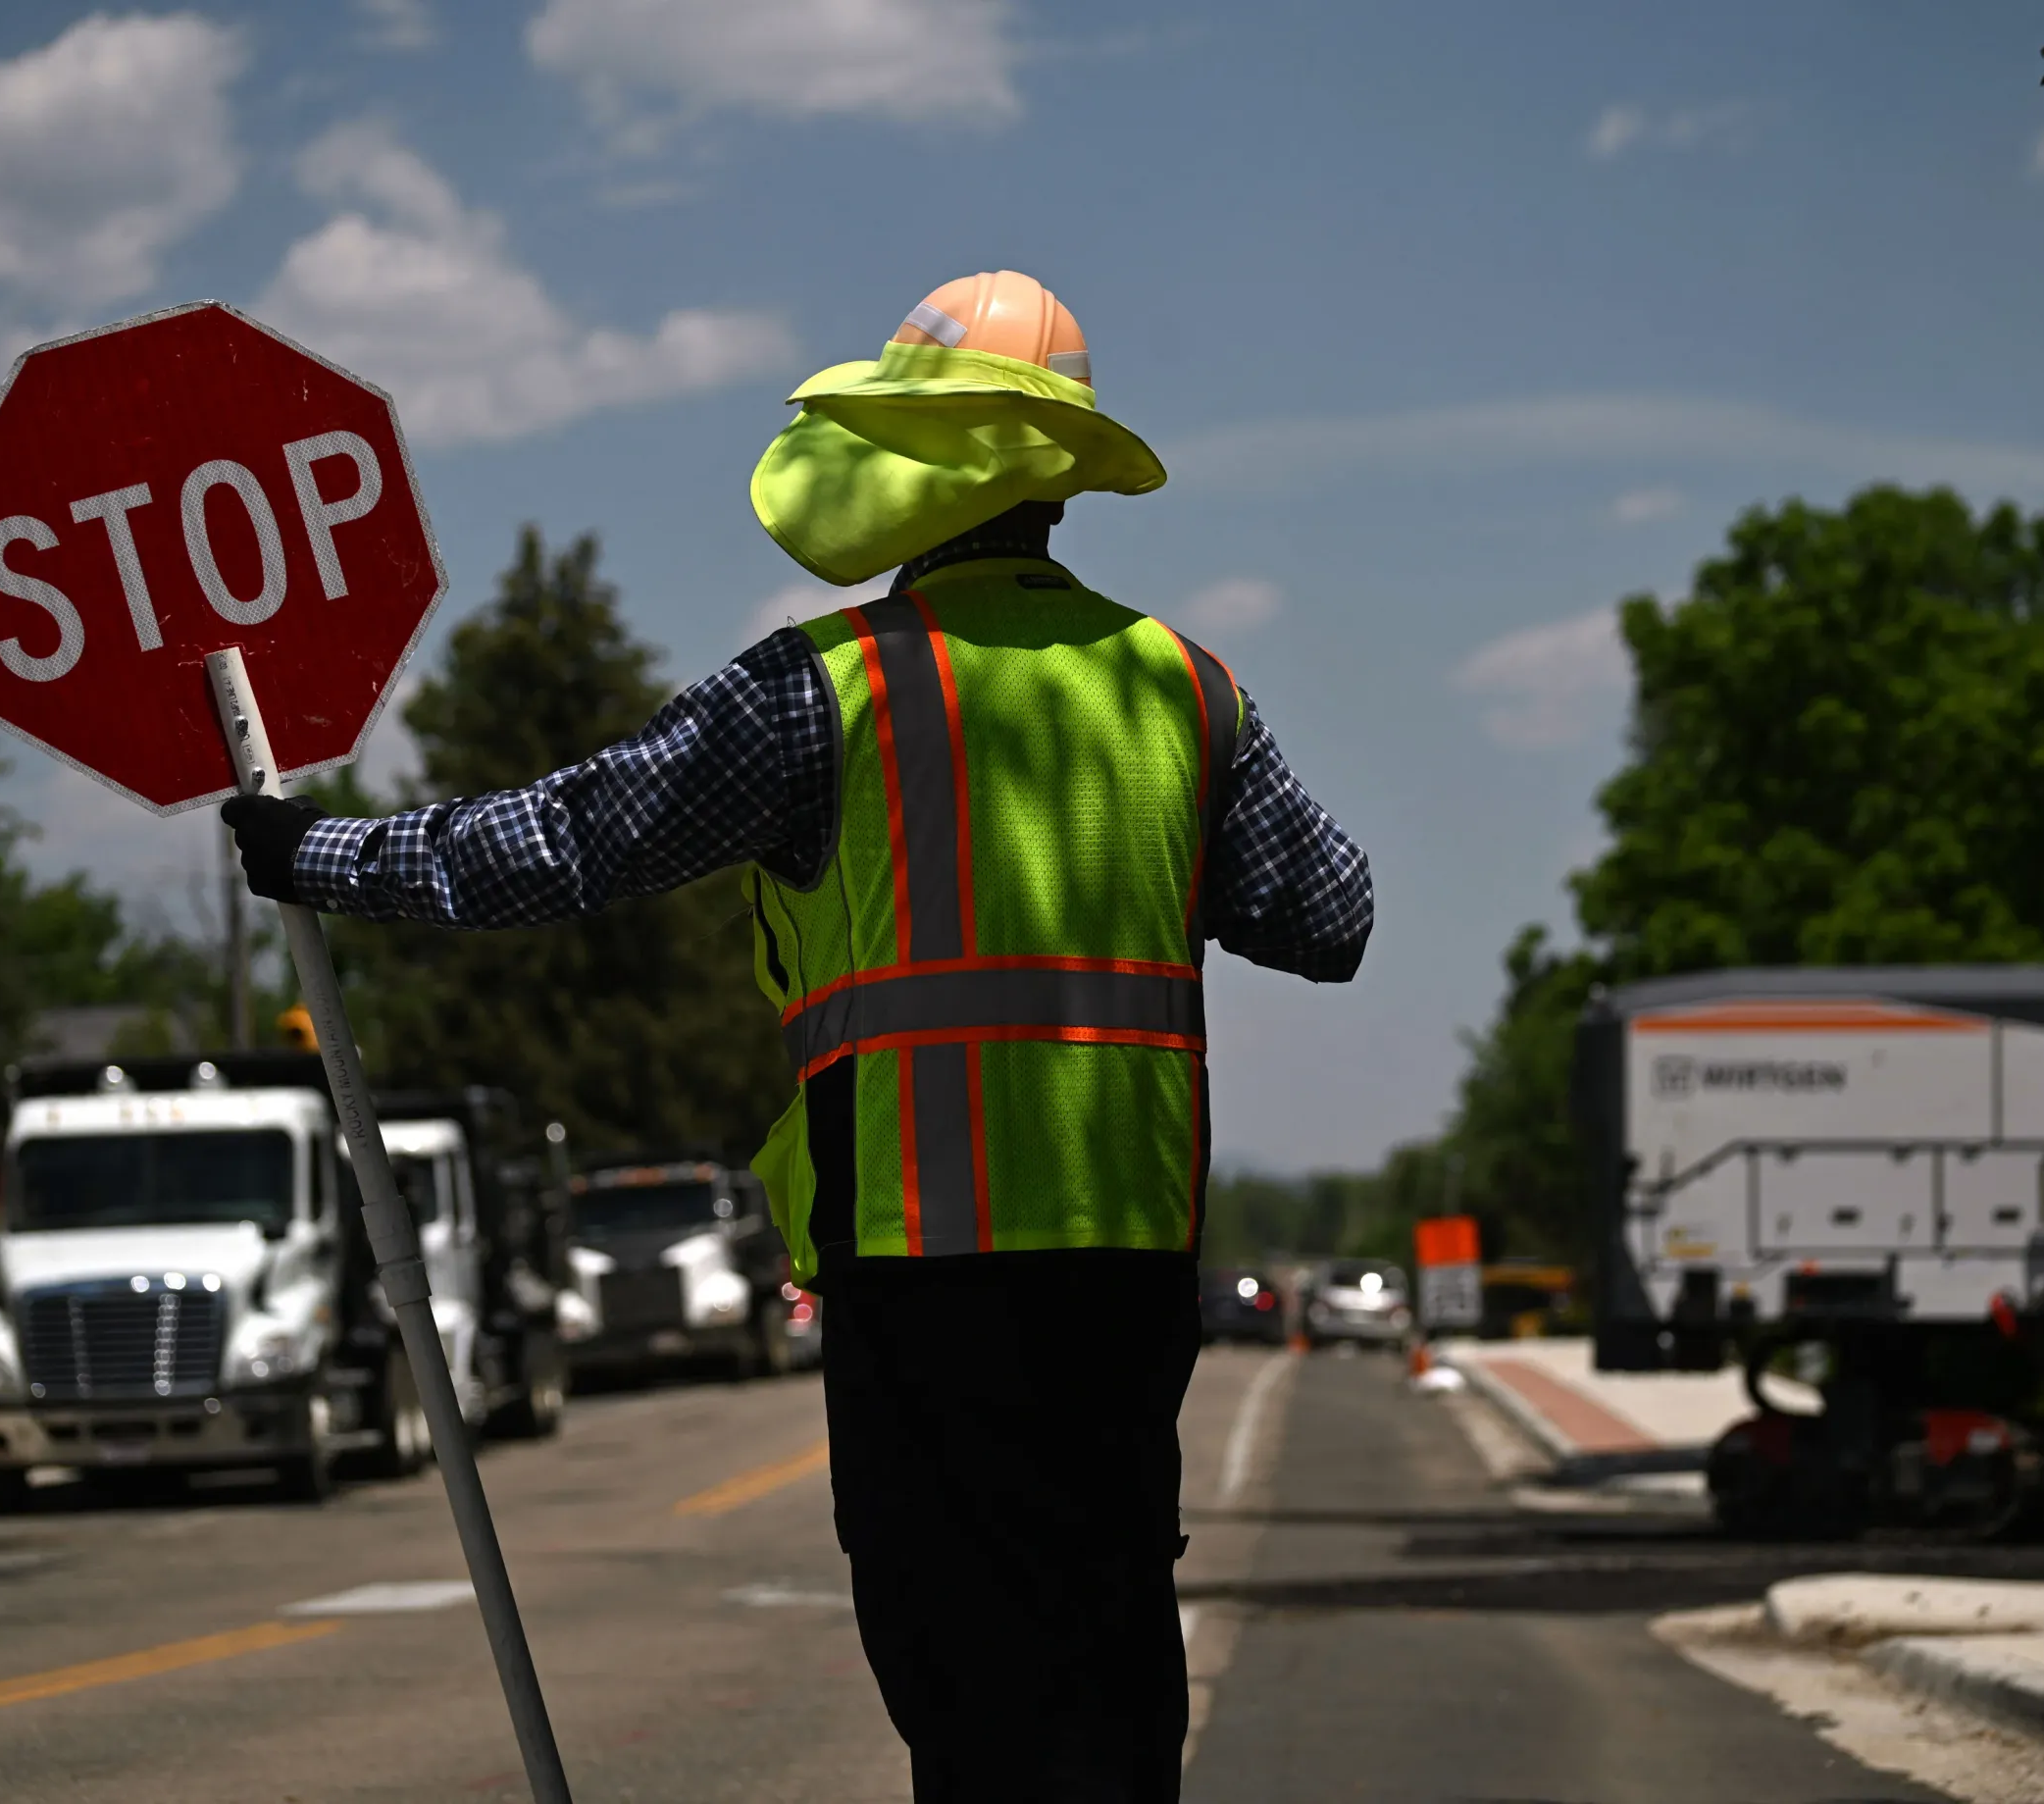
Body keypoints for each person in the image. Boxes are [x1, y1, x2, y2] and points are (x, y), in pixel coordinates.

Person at [224, 270, 1372, 1801]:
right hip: (1126, 1260)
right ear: (1053, 479)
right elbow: (1334, 913)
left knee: (965, 1674)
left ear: (908, 463)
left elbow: (570, 840)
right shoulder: (1185, 690)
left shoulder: (824, 693)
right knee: (1107, 1652)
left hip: (921, 1262)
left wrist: (321, 855)